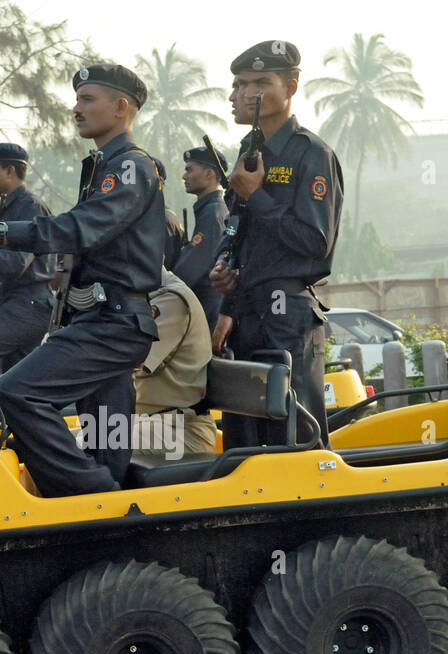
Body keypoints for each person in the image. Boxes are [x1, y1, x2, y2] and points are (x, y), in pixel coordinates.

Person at [0, 63, 165, 498]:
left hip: (115, 324)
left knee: (16, 392)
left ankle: (89, 498)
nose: (77, 108)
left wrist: (0, 232)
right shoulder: (104, 166)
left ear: (121, 107)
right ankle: (108, 516)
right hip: (100, 321)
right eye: (78, 99)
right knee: (105, 446)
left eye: (88, 100)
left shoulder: (130, 167)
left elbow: (79, 228)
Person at [209, 41, 343, 451]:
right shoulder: (248, 154)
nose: (247, 93)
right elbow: (239, 232)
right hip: (248, 306)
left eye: (260, 82)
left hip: (289, 310)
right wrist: (224, 272)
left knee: (293, 435)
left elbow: (316, 242)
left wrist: (257, 196)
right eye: (240, 84)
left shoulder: (311, 154)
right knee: (245, 437)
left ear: (290, 86)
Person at [0, 143, 56, 387]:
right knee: (14, 377)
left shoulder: (29, 206)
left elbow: (16, 262)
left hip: (30, 303)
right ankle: (10, 419)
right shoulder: (10, 206)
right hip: (16, 302)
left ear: (10, 171)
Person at [133, 267, 218, 458]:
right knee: (64, 443)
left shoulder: (170, 299)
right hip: (149, 423)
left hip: (179, 431)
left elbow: (124, 363)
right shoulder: (139, 295)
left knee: (77, 446)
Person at [173, 146, 230, 336]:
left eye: (189, 170)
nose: (184, 176)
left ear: (209, 174)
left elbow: (191, 268)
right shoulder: (212, 210)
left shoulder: (213, 213)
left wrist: (161, 291)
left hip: (208, 316)